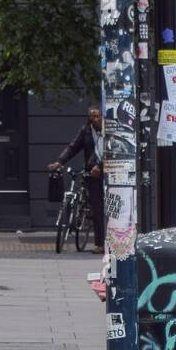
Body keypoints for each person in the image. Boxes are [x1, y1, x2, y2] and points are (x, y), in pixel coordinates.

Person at [49, 107, 104, 253]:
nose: (95, 119)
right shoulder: (86, 131)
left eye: (98, 116)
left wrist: (101, 166)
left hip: (106, 172)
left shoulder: (108, 131)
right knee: (96, 206)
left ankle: (108, 241)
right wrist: (59, 162)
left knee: (106, 208)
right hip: (91, 173)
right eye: (92, 116)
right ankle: (100, 244)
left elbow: (112, 149)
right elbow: (73, 147)